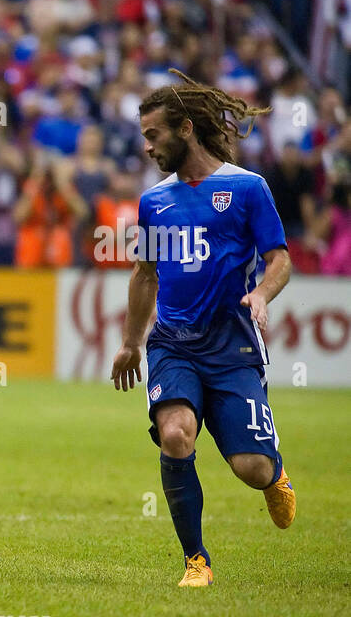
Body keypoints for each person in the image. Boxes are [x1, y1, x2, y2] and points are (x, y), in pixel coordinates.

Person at [110, 70, 296, 589]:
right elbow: (145, 274)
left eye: (153, 135)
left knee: (251, 469)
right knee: (174, 435)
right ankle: (197, 560)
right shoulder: (154, 202)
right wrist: (130, 343)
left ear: (185, 129)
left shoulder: (247, 188)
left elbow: (279, 259)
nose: (146, 147)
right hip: (172, 341)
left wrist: (260, 293)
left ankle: (275, 471)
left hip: (233, 343)